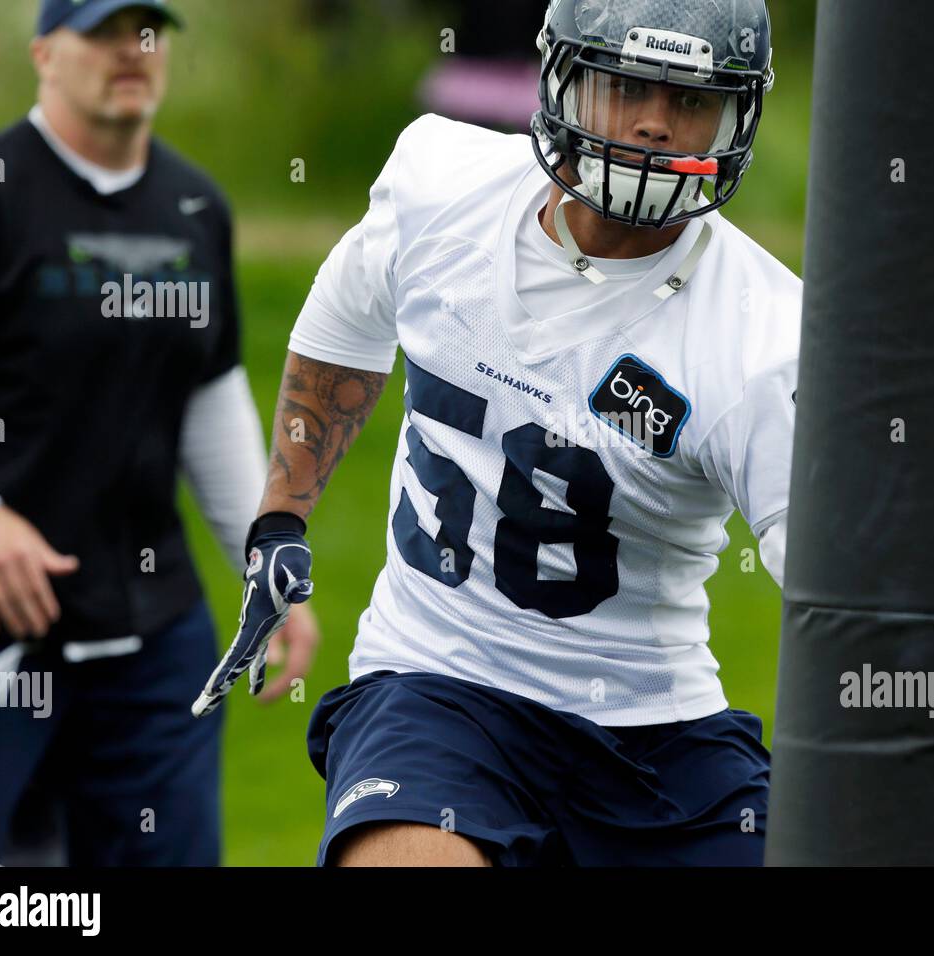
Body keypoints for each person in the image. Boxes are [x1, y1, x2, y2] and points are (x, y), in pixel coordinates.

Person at [194, 0, 795, 867]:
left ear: (735, 115)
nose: (657, 122)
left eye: (690, 99)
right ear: (562, 78)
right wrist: (281, 520)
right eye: (626, 85)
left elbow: (838, 594)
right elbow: (344, 323)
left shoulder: (762, 333)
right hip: (439, 683)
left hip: (655, 729)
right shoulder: (441, 185)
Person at [0, 0, 319, 865]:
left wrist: (265, 562)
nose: (133, 50)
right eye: (104, 31)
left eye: (149, 31)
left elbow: (209, 395)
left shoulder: (194, 206)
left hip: (156, 641)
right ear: (45, 53)